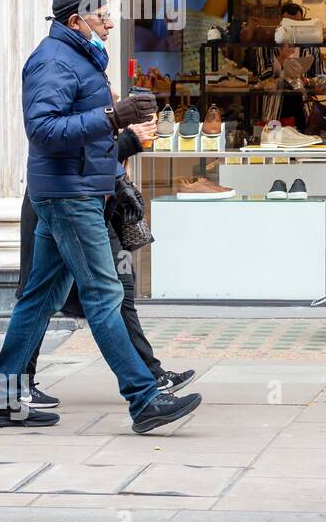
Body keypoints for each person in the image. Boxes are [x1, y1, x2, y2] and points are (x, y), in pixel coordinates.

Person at [0, 0, 202, 434]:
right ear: (75, 21)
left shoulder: (80, 57)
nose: (108, 23)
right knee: (105, 295)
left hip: (73, 189)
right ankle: (144, 400)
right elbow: (42, 129)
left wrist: (121, 133)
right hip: (69, 195)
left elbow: (84, 133)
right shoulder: (53, 61)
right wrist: (113, 116)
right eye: (100, 16)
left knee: (39, 296)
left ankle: (3, 400)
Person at [15, 116, 197, 408]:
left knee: (117, 289)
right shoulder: (59, 76)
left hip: (96, 204)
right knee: (40, 296)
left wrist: (120, 123)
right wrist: (124, 137)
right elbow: (59, 142)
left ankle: (149, 380)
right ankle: (14, 385)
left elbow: (95, 146)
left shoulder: (88, 81)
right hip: (61, 202)